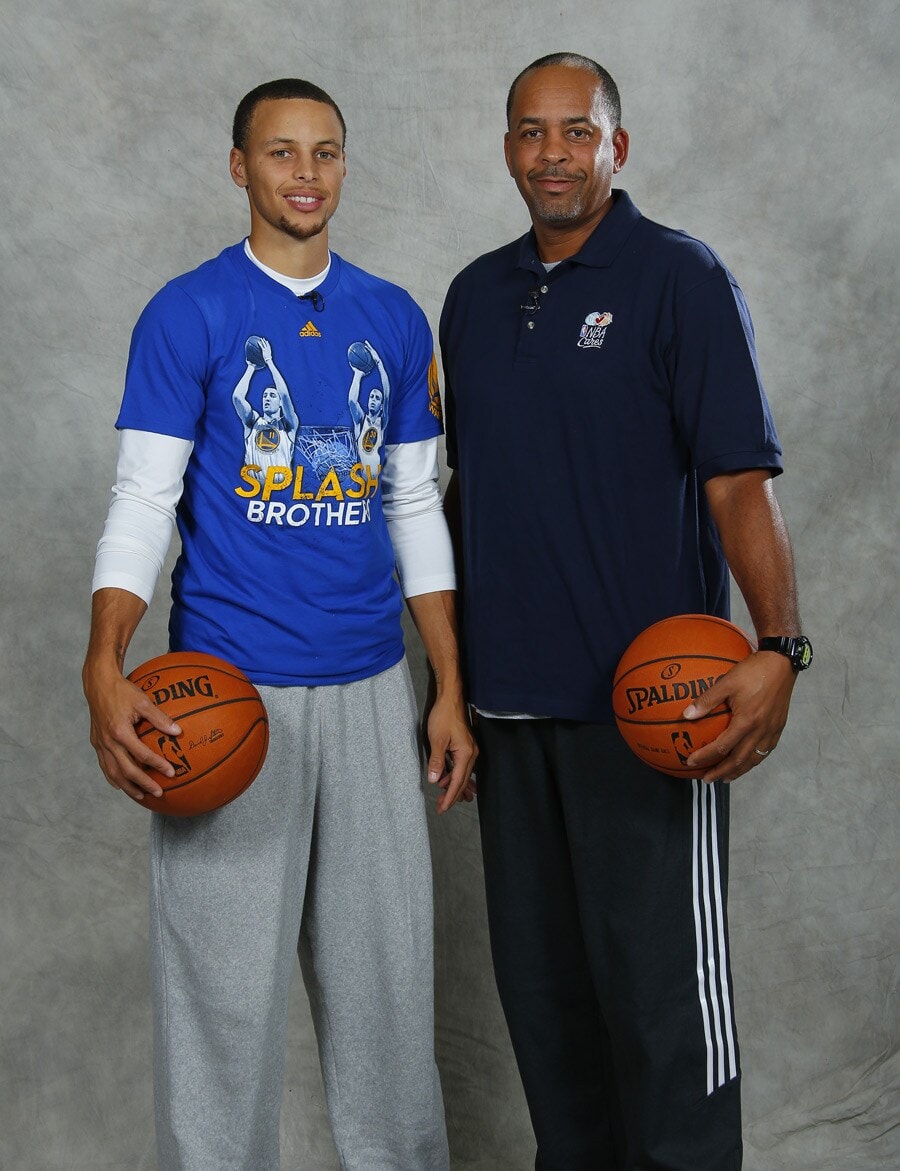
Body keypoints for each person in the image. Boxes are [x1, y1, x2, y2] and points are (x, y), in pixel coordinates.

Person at [83, 78, 476, 1170]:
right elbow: (143, 502)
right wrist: (104, 662)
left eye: (327, 152)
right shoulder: (189, 311)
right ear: (239, 167)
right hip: (224, 703)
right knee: (222, 1022)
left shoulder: (392, 318)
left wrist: (445, 685)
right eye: (281, 153)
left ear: (344, 166)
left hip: (366, 693)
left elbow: (409, 507)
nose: (306, 174)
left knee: (391, 1012)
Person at [440, 53, 812, 1171]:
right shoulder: (470, 297)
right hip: (508, 716)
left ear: (618, 146)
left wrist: (781, 646)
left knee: (665, 1021)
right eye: (529, 131)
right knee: (550, 1019)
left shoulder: (680, 279)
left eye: (576, 130)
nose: (552, 153)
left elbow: (737, 481)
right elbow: (459, 502)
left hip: (652, 717)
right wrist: (443, 689)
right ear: (506, 146)